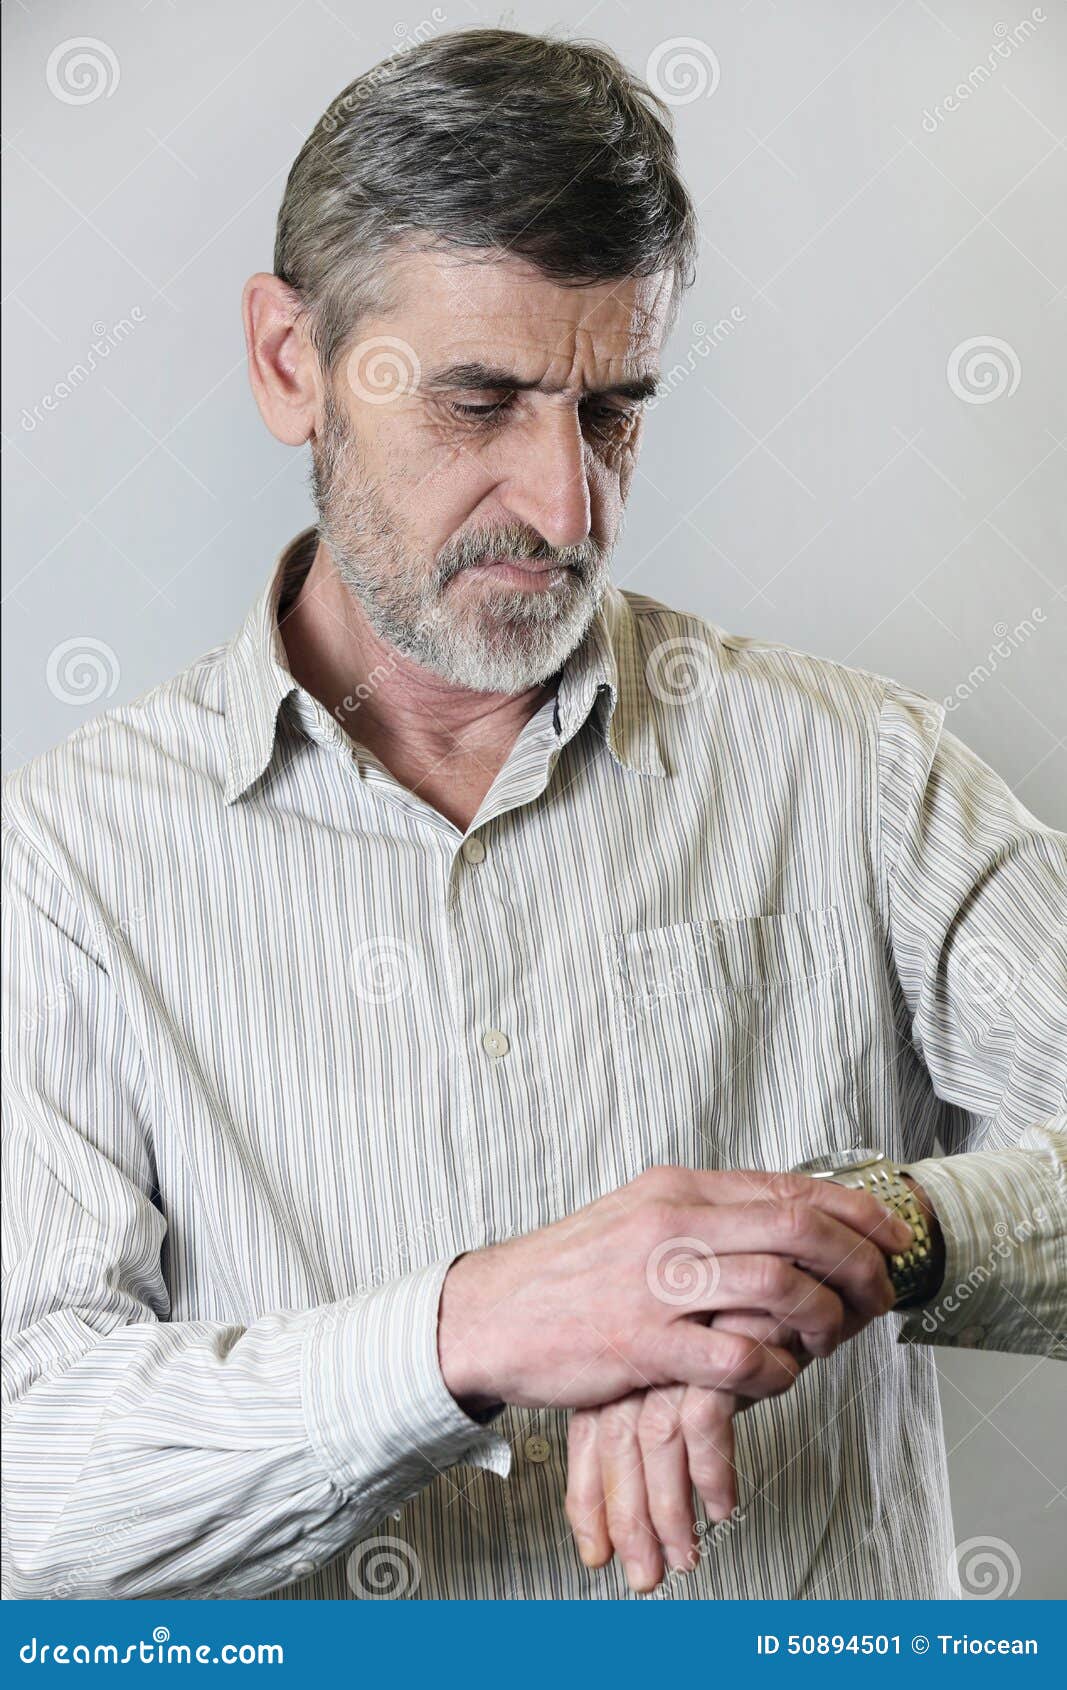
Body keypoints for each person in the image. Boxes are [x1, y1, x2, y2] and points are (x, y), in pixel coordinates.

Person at [3, 28, 1064, 1603]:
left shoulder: (857, 773)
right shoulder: (68, 866)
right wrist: (474, 1329)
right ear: (291, 361)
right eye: (479, 402)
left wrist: (843, 1238)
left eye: (614, 411)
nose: (568, 508)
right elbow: (35, 1480)